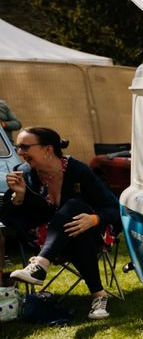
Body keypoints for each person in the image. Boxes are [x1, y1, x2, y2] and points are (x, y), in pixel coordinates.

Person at [1, 127, 120, 319]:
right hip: (49, 238)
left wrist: (93, 219)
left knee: (75, 207)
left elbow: (113, 207)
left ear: (48, 149)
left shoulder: (78, 171)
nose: (20, 153)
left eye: (25, 147)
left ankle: (40, 265)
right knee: (75, 227)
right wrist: (18, 196)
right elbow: (6, 218)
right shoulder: (24, 174)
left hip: (91, 229)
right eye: (18, 147)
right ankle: (99, 295)